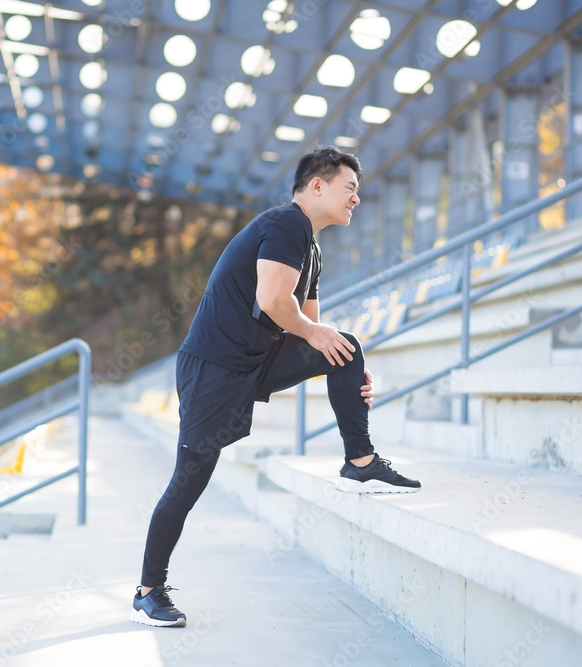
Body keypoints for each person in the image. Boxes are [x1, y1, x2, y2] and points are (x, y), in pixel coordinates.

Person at [130, 146, 421, 628]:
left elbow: (308, 326)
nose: (356, 199)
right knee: (190, 479)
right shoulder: (286, 224)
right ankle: (148, 590)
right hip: (214, 368)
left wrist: (345, 370)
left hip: (255, 360)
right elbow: (271, 299)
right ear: (317, 186)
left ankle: (361, 460)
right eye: (350, 188)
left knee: (344, 348)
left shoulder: (311, 246)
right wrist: (320, 341)